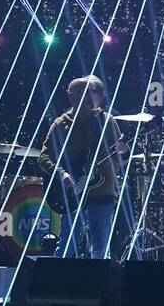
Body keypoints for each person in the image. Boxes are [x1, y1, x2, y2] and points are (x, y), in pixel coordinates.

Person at [38, 75, 128, 259]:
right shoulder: (61, 123)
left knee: (100, 249)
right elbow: (44, 156)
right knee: (65, 246)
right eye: (80, 92)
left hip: (102, 191)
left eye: (90, 92)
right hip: (72, 193)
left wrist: (123, 153)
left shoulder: (107, 120)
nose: (87, 96)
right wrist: (61, 174)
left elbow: (121, 159)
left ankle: (100, 285)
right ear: (70, 96)